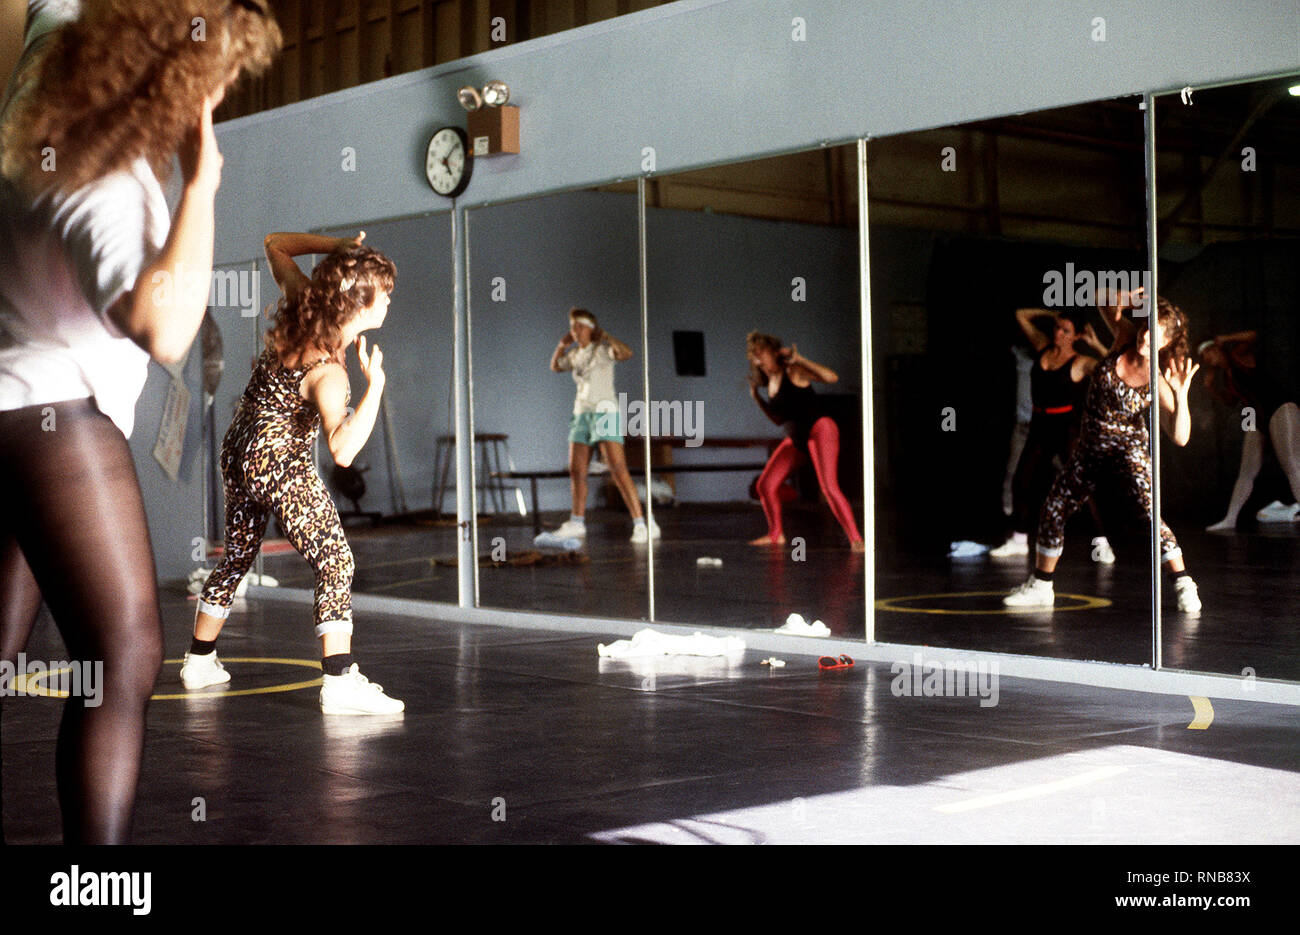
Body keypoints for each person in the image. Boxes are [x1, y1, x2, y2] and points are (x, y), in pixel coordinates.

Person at [0, 0, 279, 843]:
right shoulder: (103, 169)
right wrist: (202, 182)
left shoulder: (44, 97)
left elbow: (54, 11)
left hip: (13, 412)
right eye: (217, 77)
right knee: (122, 656)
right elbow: (163, 326)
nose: (218, 93)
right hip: (53, 415)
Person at [183, 231, 404, 716]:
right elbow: (343, 450)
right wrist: (375, 389)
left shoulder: (304, 301)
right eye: (383, 292)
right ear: (358, 304)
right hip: (276, 461)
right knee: (335, 560)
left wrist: (340, 247)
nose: (389, 298)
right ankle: (340, 681)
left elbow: (274, 244)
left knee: (238, 556)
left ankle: (199, 661)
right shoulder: (330, 372)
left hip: (238, 450)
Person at [1005, 290, 1203, 612]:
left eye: (1156, 334)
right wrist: (1124, 295)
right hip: (1091, 447)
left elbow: (1181, 437)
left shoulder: (1159, 380)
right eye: (1146, 326)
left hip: (1129, 451)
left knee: (1150, 514)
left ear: (1165, 343)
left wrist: (1181, 399)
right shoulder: (1125, 337)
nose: (1147, 335)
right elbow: (1099, 300)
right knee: (1054, 507)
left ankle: (1183, 583)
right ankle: (1041, 586)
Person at [991, 307, 1115, 563]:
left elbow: (1113, 370)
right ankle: (1019, 540)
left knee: (1079, 487)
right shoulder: (1043, 347)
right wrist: (1052, 314)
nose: (1058, 333)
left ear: (1077, 335)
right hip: (1039, 425)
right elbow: (1020, 315)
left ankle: (1101, 543)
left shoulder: (1080, 362)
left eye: (1065, 330)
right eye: (1057, 328)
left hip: (1066, 428)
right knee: (1021, 481)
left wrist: (1096, 343)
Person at [544, 307, 659, 544]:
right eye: (572, 326)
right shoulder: (576, 354)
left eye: (579, 326)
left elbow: (627, 353)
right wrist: (560, 345)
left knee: (617, 468)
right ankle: (576, 522)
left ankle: (640, 524)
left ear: (590, 328)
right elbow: (555, 367)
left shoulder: (604, 350)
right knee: (576, 470)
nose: (574, 331)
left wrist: (606, 336)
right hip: (582, 413)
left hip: (605, 411)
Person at [746, 331, 864, 551]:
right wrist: (756, 397)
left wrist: (800, 359)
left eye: (760, 352)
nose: (756, 359)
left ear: (773, 352)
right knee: (766, 485)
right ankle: (776, 535)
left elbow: (831, 377)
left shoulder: (792, 370)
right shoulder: (770, 382)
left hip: (821, 429)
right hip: (798, 438)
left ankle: (856, 539)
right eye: (753, 355)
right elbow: (777, 420)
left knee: (829, 487)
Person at [1199, 331, 1300, 529]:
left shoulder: (1238, 356)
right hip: (1256, 417)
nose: (1207, 360)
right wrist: (1211, 388)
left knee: (1292, 464)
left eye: (1207, 354)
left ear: (1215, 349)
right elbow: (1232, 402)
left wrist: (1225, 338)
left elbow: (1253, 336)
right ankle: (1230, 519)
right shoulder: (1227, 378)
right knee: (1247, 470)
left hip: (1279, 407)